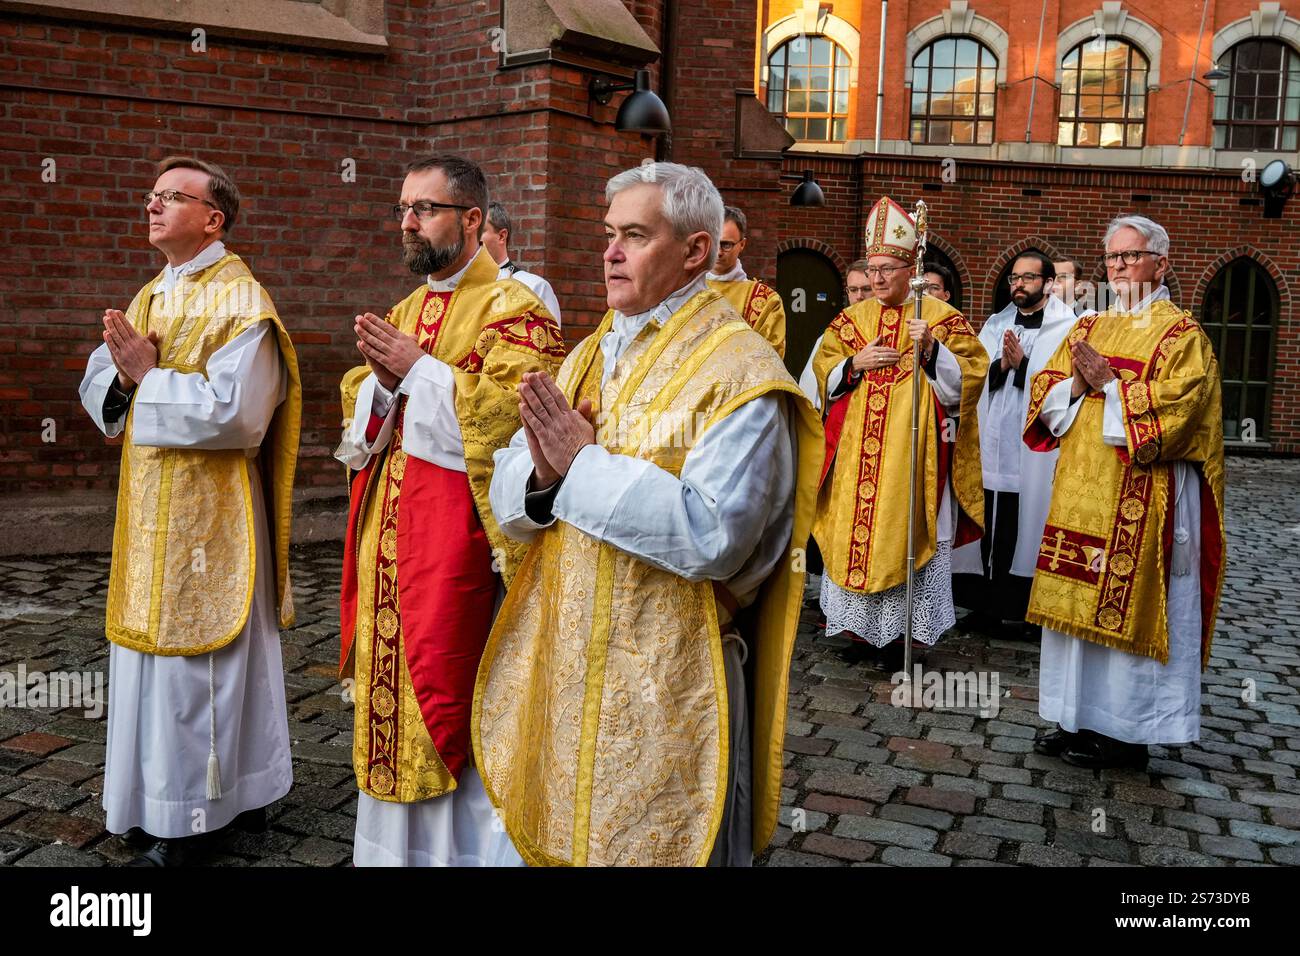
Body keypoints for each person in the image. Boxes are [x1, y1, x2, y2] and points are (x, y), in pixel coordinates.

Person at [475, 162, 821, 866]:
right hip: (567, 657)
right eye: (609, 234)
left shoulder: (740, 371)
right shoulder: (591, 353)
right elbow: (510, 482)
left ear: (695, 251)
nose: (609, 252)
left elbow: (713, 535)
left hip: (670, 674)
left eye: (634, 235)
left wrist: (578, 467)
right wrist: (544, 479)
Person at [334, 155, 565, 865]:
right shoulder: (404, 313)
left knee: (452, 688)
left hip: (462, 545)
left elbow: (510, 419)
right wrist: (378, 388)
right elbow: (361, 425)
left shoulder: (516, 309)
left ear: (471, 219)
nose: (407, 222)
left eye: (425, 209)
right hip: (389, 541)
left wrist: (418, 373)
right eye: (403, 208)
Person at [79, 156, 300, 866]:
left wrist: (148, 375)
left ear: (215, 218)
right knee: (152, 667)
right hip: (149, 515)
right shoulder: (150, 295)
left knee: (203, 671)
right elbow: (99, 387)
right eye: (151, 195)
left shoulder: (243, 301)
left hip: (213, 521)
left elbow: (240, 417)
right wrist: (121, 376)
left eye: (172, 196)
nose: (153, 205)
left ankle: (197, 821)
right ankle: (156, 800)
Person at [1024, 216, 1226, 769]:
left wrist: (1113, 386)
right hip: (1079, 499)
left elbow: (1184, 412)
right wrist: (1075, 385)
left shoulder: (1182, 335)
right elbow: (1046, 394)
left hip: (1143, 498)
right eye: (1111, 258)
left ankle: (1126, 734)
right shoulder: (1090, 325)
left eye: (1129, 257)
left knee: (1126, 613)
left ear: (1161, 263)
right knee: (1076, 614)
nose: (1117, 267)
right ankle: (1076, 718)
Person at [811, 197, 986, 671]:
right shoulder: (851, 321)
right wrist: (853, 365)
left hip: (912, 456)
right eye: (872, 268)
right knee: (854, 532)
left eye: (887, 268)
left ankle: (902, 638)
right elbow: (823, 373)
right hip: (856, 458)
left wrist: (931, 351)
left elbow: (969, 381)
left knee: (904, 533)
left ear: (910, 268)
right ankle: (861, 633)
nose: (876, 278)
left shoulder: (940, 319)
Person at [952, 253, 1076, 636]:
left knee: (1026, 525)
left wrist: (1023, 366)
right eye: (1014, 278)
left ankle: (1024, 611)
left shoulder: (1068, 329)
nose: (1018, 284)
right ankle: (987, 606)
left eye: (1028, 278)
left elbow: (1066, 387)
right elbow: (970, 377)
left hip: (1033, 452)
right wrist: (1000, 367)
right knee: (991, 524)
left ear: (1049, 283)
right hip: (993, 442)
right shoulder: (995, 324)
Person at [705, 205, 787, 355]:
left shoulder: (765, 301)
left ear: (742, 244)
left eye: (726, 244)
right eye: (713, 242)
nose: (718, 252)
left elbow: (770, 360)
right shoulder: (683, 290)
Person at [799, 259, 870, 411]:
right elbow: (812, 388)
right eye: (853, 289)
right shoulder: (836, 331)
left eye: (866, 289)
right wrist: (854, 364)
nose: (859, 296)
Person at [481, 200, 563, 324]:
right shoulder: (460, 287)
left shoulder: (535, 287)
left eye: (480, 231)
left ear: (501, 236)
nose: (471, 239)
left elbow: (549, 340)